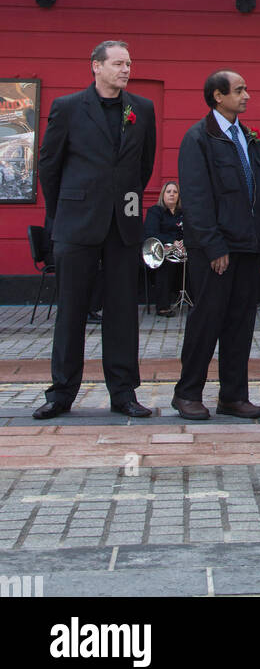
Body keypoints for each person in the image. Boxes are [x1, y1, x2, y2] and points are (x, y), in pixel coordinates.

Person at [34, 40, 157, 419]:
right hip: (75, 224)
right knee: (71, 310)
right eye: (118, 63)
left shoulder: (142, 109)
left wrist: (125, 201)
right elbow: (49, 165)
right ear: (96, 66)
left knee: (122, 311)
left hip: (123, 224)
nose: (126, 70)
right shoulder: (68, 108)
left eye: (129, 64)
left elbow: (144, 165)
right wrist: (62, 213)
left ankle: (123, 392)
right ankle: (61, 393)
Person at [172, 70, 260, 421]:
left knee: (240, 324)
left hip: (248, 248)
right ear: (217, 96)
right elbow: (195, 198)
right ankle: (187, 393)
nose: (247, 96)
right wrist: (213, 246)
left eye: (246, 89)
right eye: (239, 90)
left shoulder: (250, 139)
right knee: (206, 321)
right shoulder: (198, 138)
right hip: (217, 253)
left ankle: (233, 396)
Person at [144, 181, 186, 315]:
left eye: (175, 192)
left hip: (181, 251)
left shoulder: (183, 213)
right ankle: (163, 306)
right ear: (163, 194)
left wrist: (184, 242)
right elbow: (151, 233)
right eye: (169, 192)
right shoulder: (155, 211)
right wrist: (171, 242)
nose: (172, 195)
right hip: (160, 253)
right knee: (165, 267)